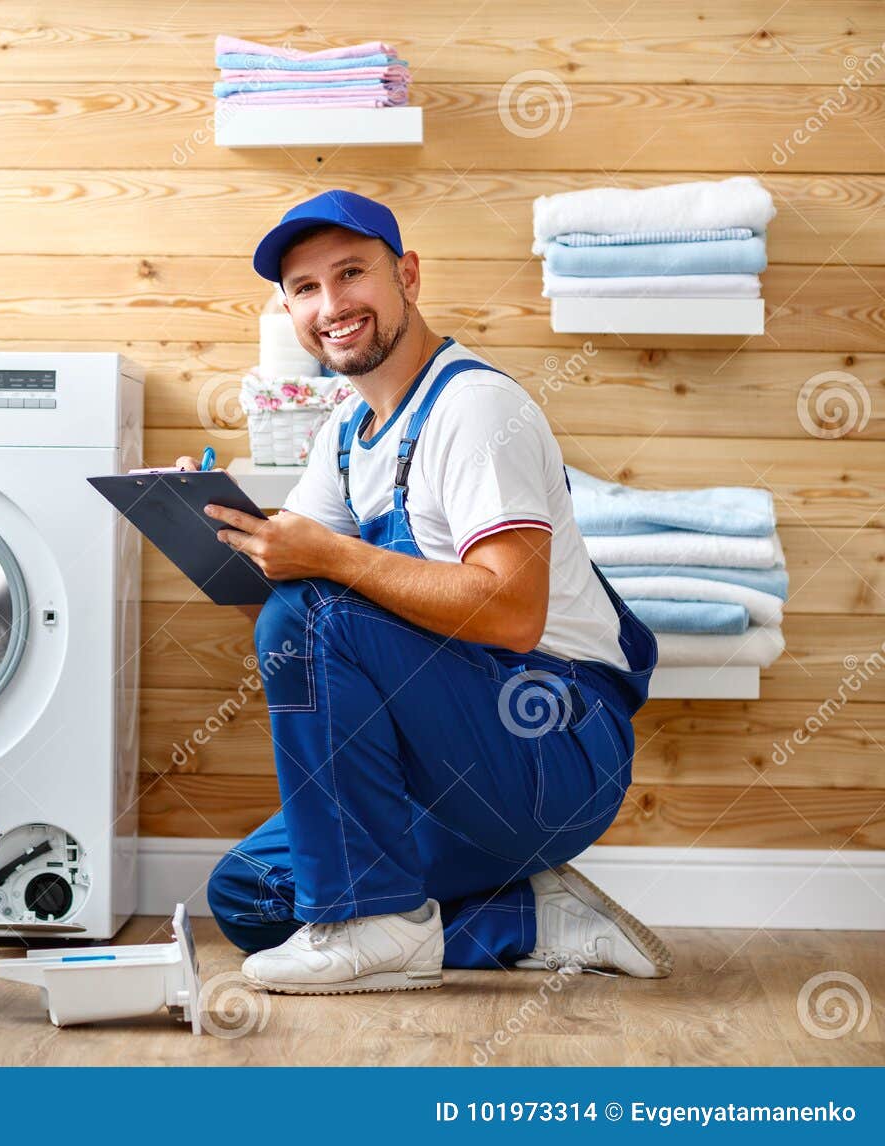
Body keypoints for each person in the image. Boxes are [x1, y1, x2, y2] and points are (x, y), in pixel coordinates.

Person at [182, 190, 672, 994]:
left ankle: (377, 926)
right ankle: (526, 917)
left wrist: (325, 561)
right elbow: (286, 616)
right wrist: (217, 538)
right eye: (305, 288)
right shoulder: (345, 431)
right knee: (251, 894)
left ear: (406, 274)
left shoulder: (475, 408)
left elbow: (513, 614)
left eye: (351, 274)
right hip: (440, 764)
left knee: (314, 612)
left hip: (550, 743)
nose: (331, 305)